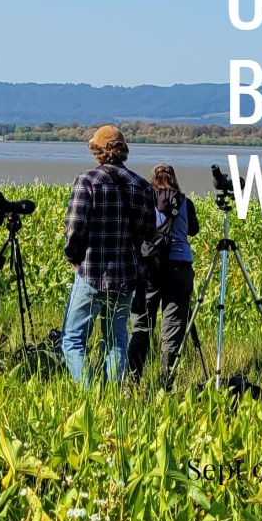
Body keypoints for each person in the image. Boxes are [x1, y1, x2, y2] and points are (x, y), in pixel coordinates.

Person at [61, 125, 155, 386]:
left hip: (91, 272)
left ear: (98, 151)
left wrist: (73, 257)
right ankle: (113, 397)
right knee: (116, 339)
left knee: (73, 339)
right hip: (125, 276)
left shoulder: (88, 180)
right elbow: (148, 233)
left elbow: (75, 228)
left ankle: (90, 395)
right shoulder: (141, 186)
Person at [128, 164, 201, 389]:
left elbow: (136, 229)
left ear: (153, 179)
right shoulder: (185, 202)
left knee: (141, 324)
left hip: (150, 267)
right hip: (180, 267)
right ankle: (165, 384)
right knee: (174, 326)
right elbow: (193, 231)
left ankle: (132, 382)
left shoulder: (146, 199)